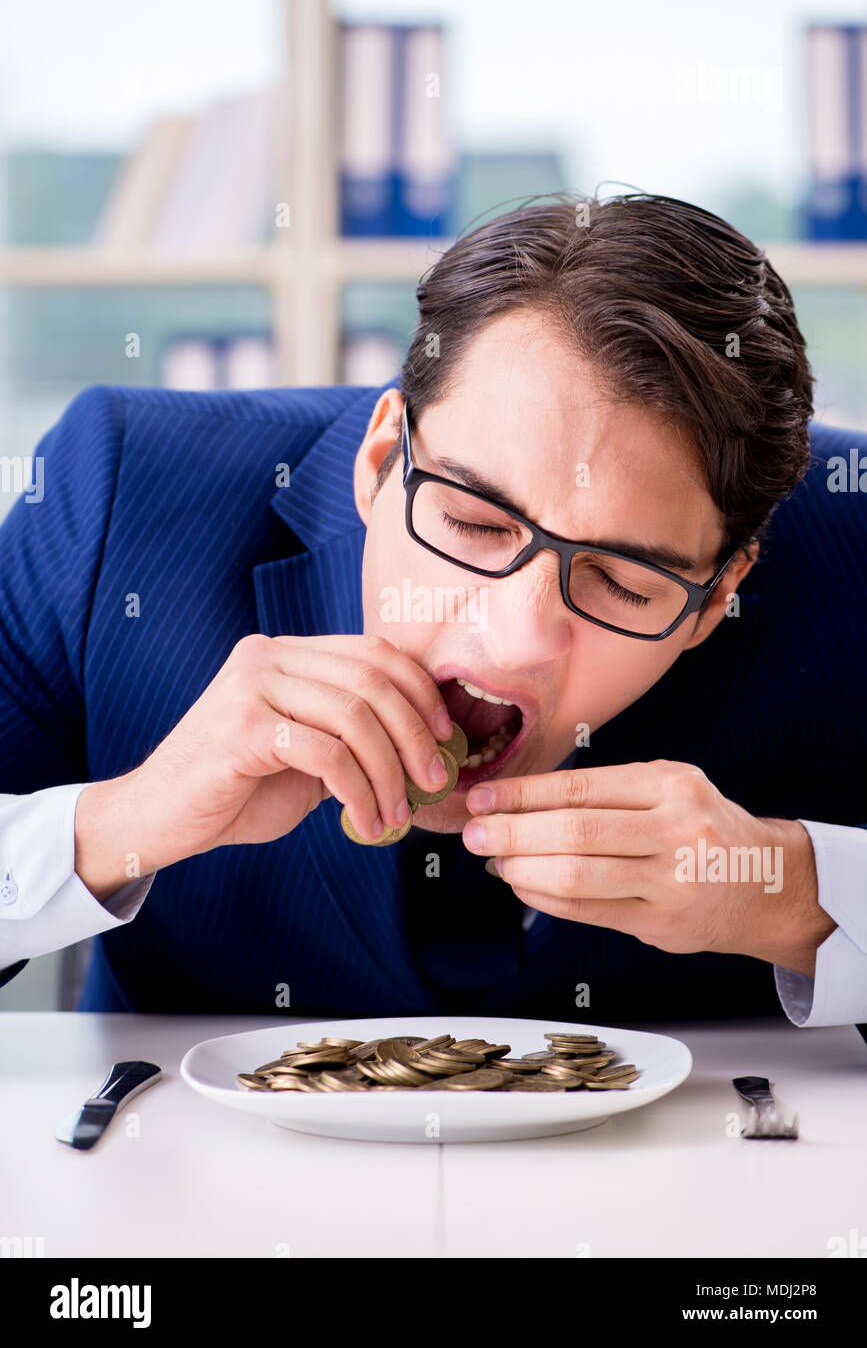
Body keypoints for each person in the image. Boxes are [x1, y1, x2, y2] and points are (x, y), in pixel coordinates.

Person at [1, 192, 865, 1032]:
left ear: (717, 596)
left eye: (625, 582)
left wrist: (795, 897)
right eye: (473, 522)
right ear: (381, 460)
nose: (518, 637)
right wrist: (119, 823)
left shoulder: (850, 546)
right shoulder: (117, 488)